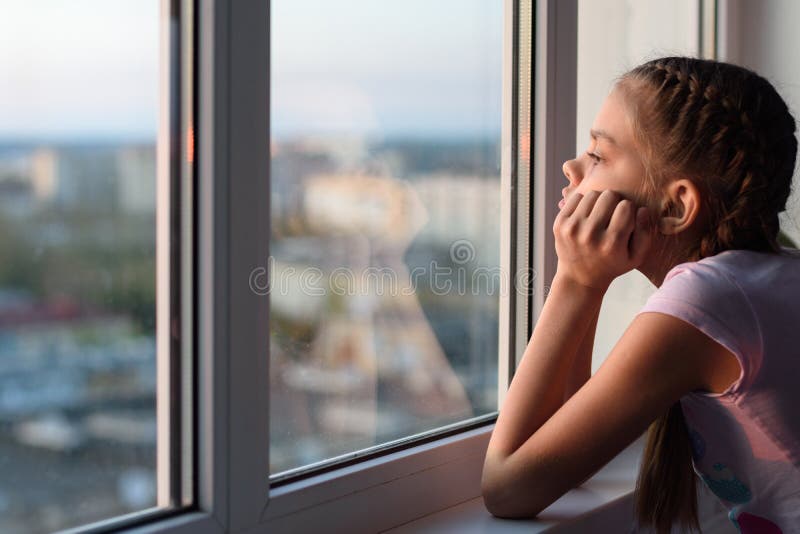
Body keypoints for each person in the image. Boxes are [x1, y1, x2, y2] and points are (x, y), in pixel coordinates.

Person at [480, 56, 800, 534]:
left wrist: (577, 280)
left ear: (675, 206)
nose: (571, 166)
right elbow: (568, 444)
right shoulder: (774, 267)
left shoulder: (707, 300)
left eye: (599, 155)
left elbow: (508, 487)